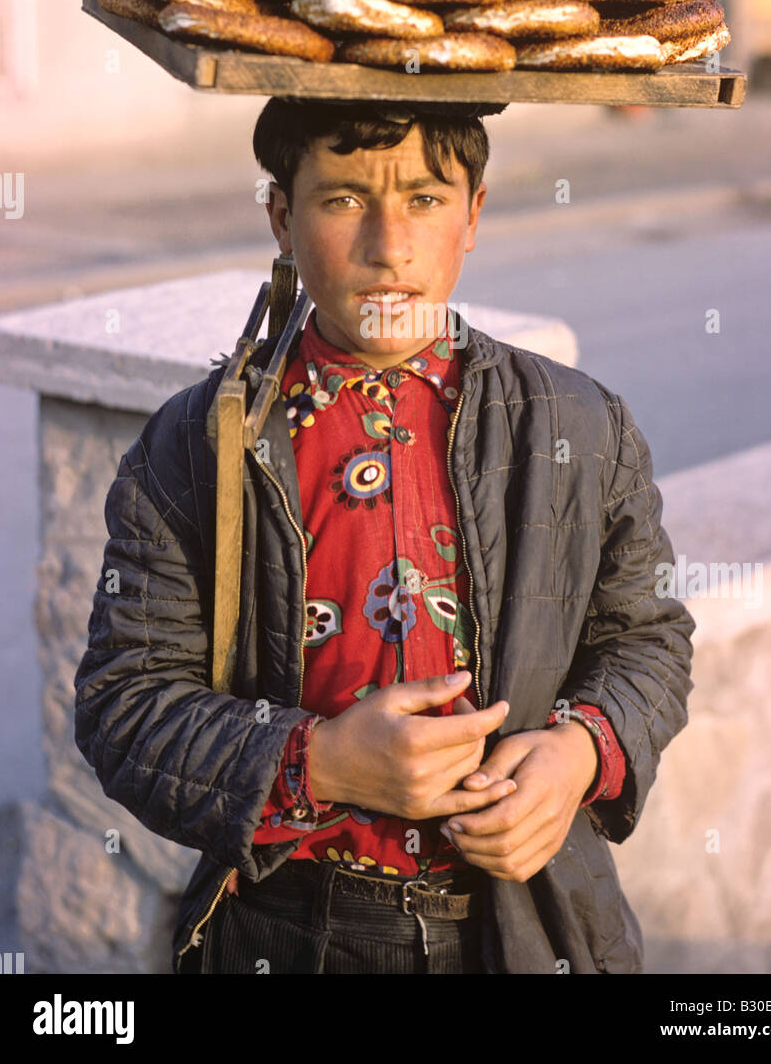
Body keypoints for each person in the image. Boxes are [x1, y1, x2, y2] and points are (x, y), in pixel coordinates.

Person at [74, 98, 694, 975]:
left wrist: (578, 752)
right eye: (341, 200)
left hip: (531, 926)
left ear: (474, 213)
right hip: (286, 933)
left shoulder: (578, 425)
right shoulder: (198, 446)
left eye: (427, 200)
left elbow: (650, 639)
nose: (388, 246)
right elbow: (125, 706)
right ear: (282, 218)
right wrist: (318, 763)